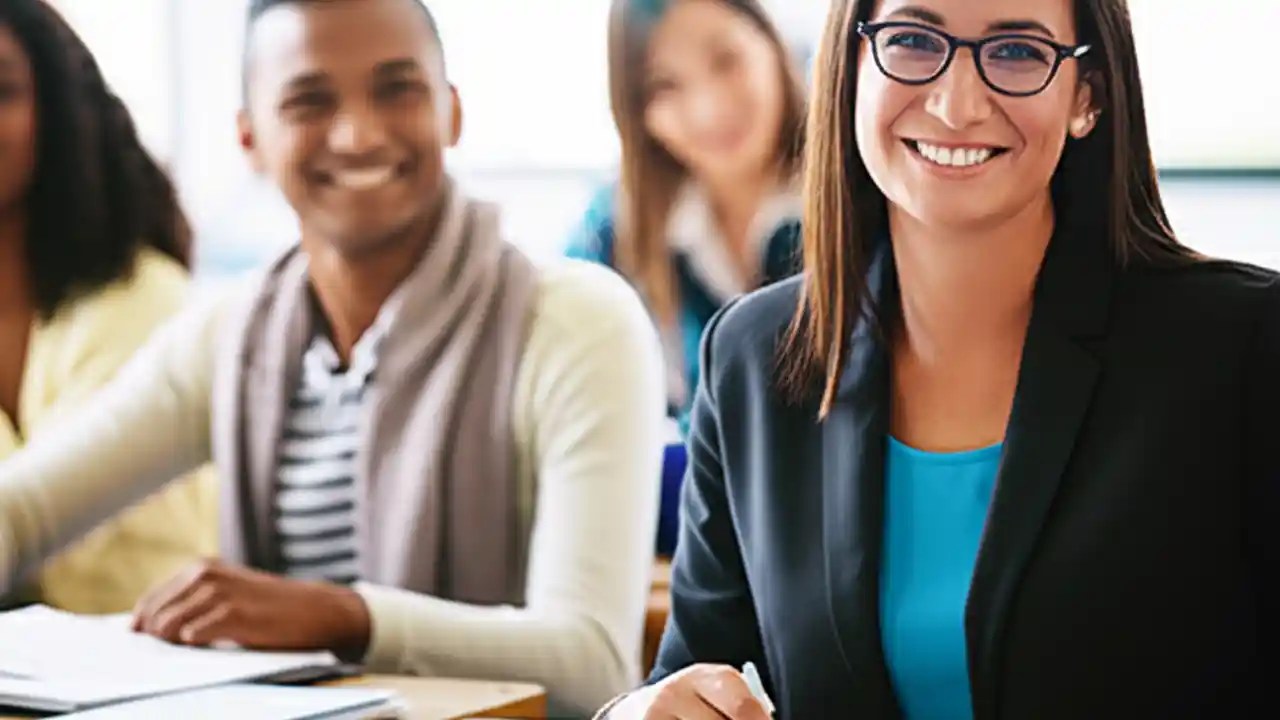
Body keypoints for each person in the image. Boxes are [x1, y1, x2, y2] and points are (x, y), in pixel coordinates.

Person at [602, 0, 1280, 717]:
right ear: (850, 69)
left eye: (1017, 52)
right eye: (913, 40)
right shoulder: (753, 359)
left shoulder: (1240, 349)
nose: (957, 104)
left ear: (1088, 96)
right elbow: (691, 679)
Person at [0, 0, 665, 714]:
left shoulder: (577, 323)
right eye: (309, 101)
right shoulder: (234, 337)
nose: (356, 134)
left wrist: (347, 617)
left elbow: (594, 663)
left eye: (396, 89)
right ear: (249, 139)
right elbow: (26, 510)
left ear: (452, 111)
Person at [0, 0, 215, 615]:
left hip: (148, 676)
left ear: (57, 111)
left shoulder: (143, 299)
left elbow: (63, 530)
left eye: (1, 90)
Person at [567, 0, 807, 432]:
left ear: (771, 41)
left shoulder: (865, 195)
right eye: (664, 86)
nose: (709, 109)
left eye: (726, 60)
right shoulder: (616, 230)